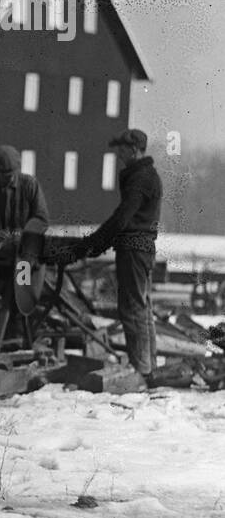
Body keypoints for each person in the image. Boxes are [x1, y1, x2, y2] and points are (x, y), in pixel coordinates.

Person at [73, 129, 162, 382]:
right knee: (141, 308)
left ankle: (141, 369)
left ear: (134, 149)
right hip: (139, 250)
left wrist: (95, 242)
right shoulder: (143, 175)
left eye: (122, 150)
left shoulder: (141, 178)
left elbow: (123, 217)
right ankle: (148, 366)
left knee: (133, 309)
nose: (119, 155)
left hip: (134, 250)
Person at [0, 144, 50, 256]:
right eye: (5, 175)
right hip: (1, 253)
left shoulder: (30, 185)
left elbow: (41, 217)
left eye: (13, 173)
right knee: (3, 273)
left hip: (27, 254)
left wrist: (24, 234)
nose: (10, 178)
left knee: (22, 273)